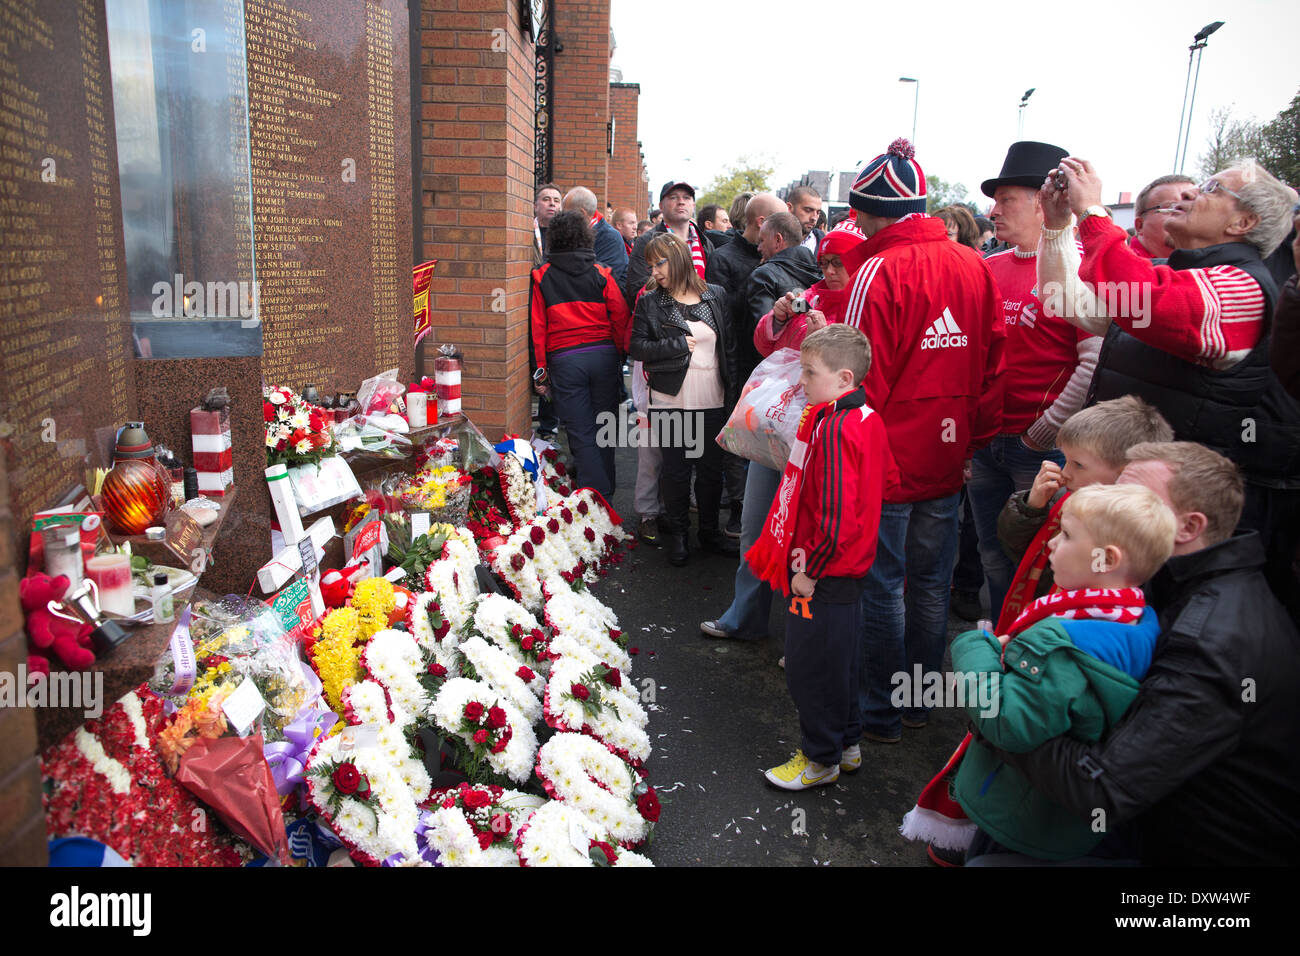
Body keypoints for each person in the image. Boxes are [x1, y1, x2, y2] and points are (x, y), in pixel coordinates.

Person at [987, 441, 1300, 865]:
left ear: (1188, 527)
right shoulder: (1171, 576)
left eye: (1136, 499)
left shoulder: (1213, 641)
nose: (1114, 504)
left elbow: (1103, 789)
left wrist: (997, 709)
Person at [1040, 157, 1300, 620]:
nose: (1187, 194)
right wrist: (1058, 226)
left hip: (1164, 524)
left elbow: (1143, 298)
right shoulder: (1174, 273)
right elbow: (1066, 301)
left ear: (1245, 222)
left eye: (1211, 188)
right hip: (1128, 507)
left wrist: (1094, 213)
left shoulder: (1242, 288)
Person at [838, 138, 1005, 743]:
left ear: (867, 211)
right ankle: (917, 703)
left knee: (883, 584)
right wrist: (973, 445)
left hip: (888, 458)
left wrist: (845, 452)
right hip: (948, 453)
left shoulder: (878, 269)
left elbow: (850, 372)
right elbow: (993, 363)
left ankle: (879, 711)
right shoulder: (973, 264)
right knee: (930, 583)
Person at [951, 483, 1176, 862]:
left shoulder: (1062, 644)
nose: (1052, 544)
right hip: (1062, 816)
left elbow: (1007, 720)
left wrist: (974, 646)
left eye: (1067, 535)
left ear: (1106, 559)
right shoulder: (1136, 618)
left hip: (1026, 817)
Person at [747, 325, 893, 790]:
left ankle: (819, 758)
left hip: (823, 570)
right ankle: (845, 745)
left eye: (810, 373)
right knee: (840, 663)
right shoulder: (868, 417)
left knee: (810, 668)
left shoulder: (832, 427)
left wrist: (809, 570)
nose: (803, 381)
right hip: (850, 569)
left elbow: (833, 509)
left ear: (844, 378)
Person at [968, 141, 1101, 625]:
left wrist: (1040, 433)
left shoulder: (1077, 268)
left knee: (1040, 562)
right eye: (995, 200)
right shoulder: (987, 268)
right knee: (991, 554)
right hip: (986, 445)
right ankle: (1002, 641)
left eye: (1006, 200)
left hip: (1042, 451)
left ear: (1043, 201)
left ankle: (1025, 654)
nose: (993, 210)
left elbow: (1091, 365)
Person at [996, 396, 1173, 625]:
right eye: (1065, 460)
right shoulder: (1063, 497)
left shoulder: (1139, 529)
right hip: (1041, 615)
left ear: (1126, 472)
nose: (1064, 472)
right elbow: (1017, 550)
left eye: (1078, 464)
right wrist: (1031, 506)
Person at [628, 233, 739, 566]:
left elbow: (729, 350)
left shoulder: (715, 296)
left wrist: (733, 397)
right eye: (650, 265)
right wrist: (675, 346)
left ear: (677, 259)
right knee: (675, 474)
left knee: (709, 474)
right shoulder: (650, 301)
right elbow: (636, 348)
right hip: (669, 400)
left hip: (713, 399)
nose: (655, 272)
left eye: (659, 263)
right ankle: (678, 535)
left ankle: (708, 532)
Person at [529, 211, 631, 499]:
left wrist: (540, 370)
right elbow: (620, 317)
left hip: (565, 359)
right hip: (603, 356)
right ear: (586, 237)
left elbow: (538, 329)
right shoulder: (602, 273)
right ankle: (604, 496)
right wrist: (619, 355)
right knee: (605, 429)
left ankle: (595, 502)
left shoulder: (541, 276)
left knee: (581, 434)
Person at [705, 192, 787, 540]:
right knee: (739, 437)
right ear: (761, 224)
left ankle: (767, 510)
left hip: (776, 365)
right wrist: (758, 280)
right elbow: (721, 314)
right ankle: (738, 511)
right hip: (737, 361)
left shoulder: (786, 259)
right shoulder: (724, 258)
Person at [752, 229, 863, 354]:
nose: (830, 271)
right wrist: (777, 319)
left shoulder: (862, 311)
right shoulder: (808, 296)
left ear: (858, 263)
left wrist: (820, 341)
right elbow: (763, 347)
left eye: (838, 262)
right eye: (824, 263)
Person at [624, 181, 714, 308]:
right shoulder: (646, 242)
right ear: (661, 205)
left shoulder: (705, 243)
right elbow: (635, 290)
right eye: (673, 197)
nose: (681, 201)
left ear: (693, 205)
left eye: (686, 197)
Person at [532, 183, 564, 439]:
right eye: (546, 199)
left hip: (554, 307)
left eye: (556, 200)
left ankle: (549, 426)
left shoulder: (565, 236)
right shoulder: (527, 233)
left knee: (550, 363)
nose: (552, 204)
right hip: (531, 306)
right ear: (535, 205)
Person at [563, 186, 628, 284]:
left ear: (582, 213)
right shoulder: (572, 233)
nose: (562, 218)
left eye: (565, 213)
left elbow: (603, 279)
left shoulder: (610, 238)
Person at [1128, 174, 1194, 259]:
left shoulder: (1210, 268)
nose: (1185, 216)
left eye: (1192, 207)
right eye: (1172, 208)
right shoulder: (1119, 267)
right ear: (1140, 225)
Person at [786, 185, 825, 254]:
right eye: (808, 210)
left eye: (818, 212)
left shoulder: (823, 244)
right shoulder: (771, 240)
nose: (814, 218)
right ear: (789, 208)